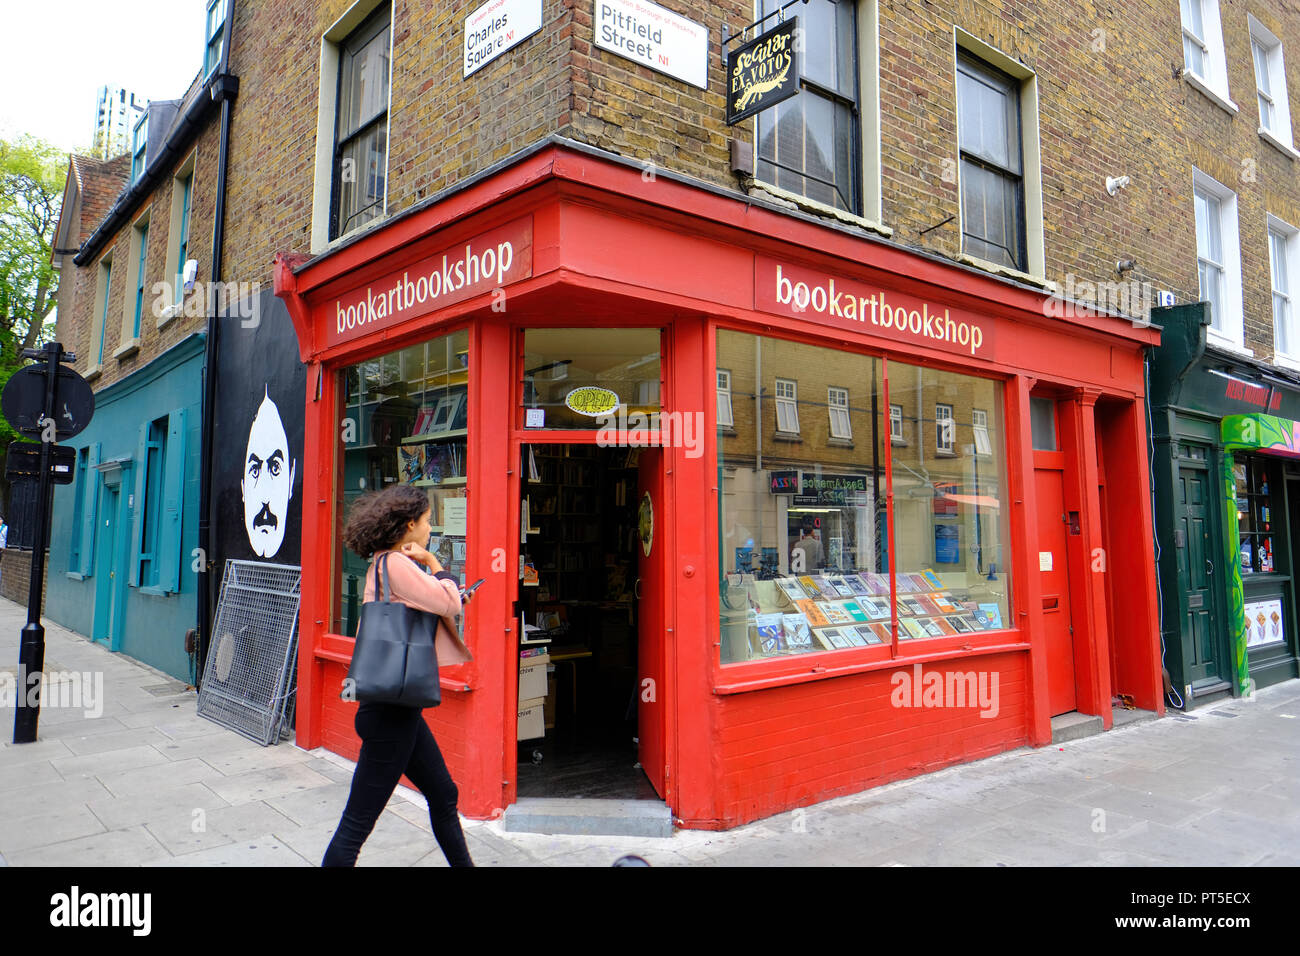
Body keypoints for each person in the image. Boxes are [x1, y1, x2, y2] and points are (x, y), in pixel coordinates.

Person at [322, 484, 474, 867]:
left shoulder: (384, 563)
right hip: (389, 716)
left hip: (398, 711)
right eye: (426, 521)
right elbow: (449, 602)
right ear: (409, 524)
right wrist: (434, 562)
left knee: (444, 794)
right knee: (356, 825)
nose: (429, 528)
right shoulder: (397, 565)